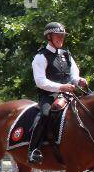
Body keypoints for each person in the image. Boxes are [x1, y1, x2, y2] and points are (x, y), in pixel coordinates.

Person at [27, 22, 89, 164]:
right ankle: (33, 150)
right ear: (49, 36)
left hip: (69, 94)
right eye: (57, 36)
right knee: (45, 114)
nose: (61, 38)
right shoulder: (40, 57)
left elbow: (73, 75)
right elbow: (40, 81)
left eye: (62, 36)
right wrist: (61, 87)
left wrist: (79, 80)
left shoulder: (67, 55)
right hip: (48, 95)